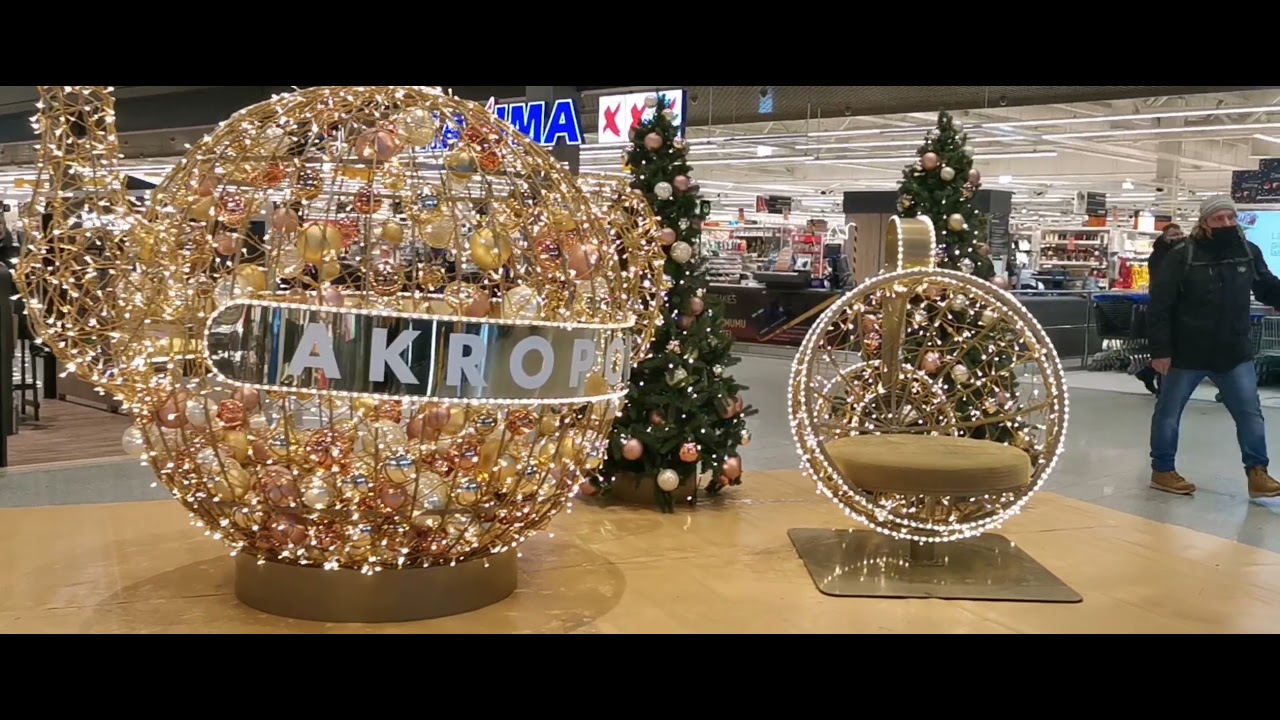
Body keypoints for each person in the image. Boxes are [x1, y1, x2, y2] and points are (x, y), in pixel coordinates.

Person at [1147, 196, 1280, 498]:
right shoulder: (1184, 254)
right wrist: (1160, 350)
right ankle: (1163, 470)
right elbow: (1160, 305)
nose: (1226, 224)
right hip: (1186, 352)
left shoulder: (1247, 251)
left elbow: (1267, 286)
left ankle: (1258, 474)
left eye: (1230, 218)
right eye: (1218, 219)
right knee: (1169, 412)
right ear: (1204, 222)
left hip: (1233, 351)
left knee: (1250, 413)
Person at [1135, 224, 1185, 395]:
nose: (1177, 236)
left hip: (1178, 307)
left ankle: (1148, 373)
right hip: (1164, 306)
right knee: (1168, 348)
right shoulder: (1160, 255)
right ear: (1164, 236)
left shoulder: (1183, 253)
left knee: (1174, 349)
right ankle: (1162, 386)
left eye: (1179, 233)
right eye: (1173, 234)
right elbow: (1161, 282)